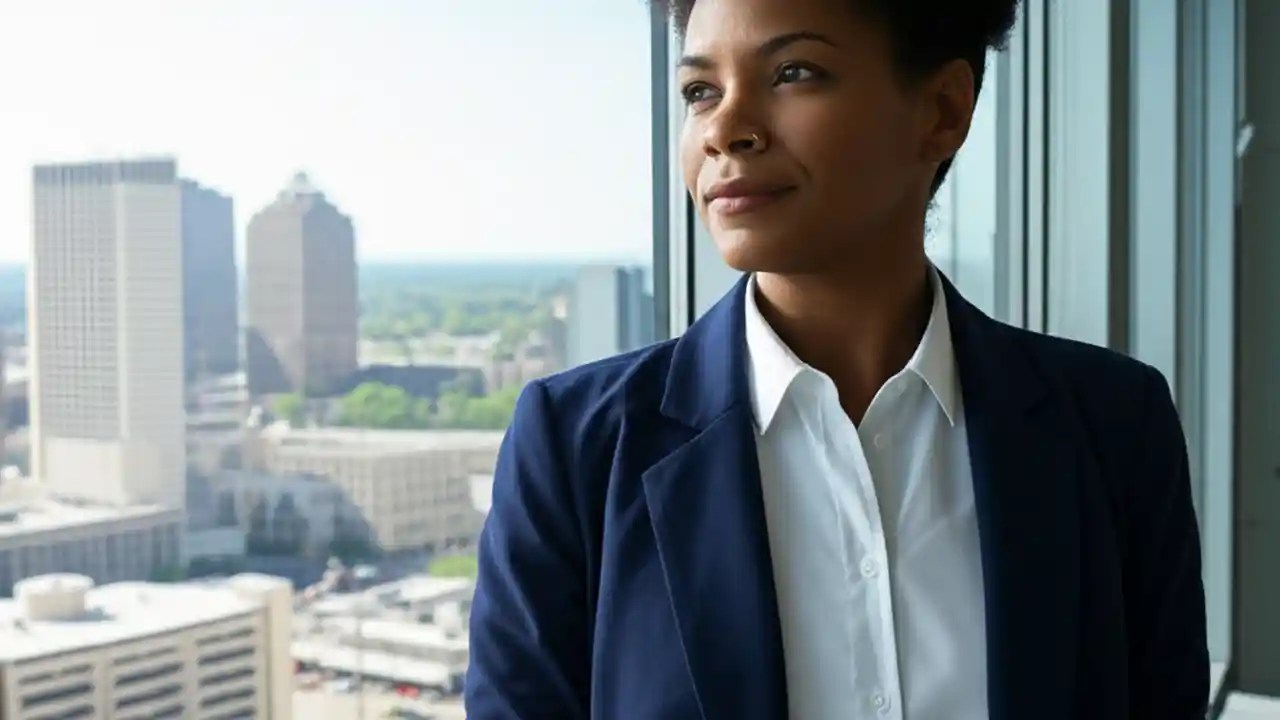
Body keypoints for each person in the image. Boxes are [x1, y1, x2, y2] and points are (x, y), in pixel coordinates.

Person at [465, 0, 1209, 717]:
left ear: (943, 111)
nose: (725, 129)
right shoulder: (574, 447)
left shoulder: (1113, 424)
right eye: (700, 90)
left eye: (793, 73)